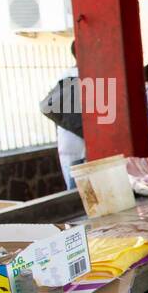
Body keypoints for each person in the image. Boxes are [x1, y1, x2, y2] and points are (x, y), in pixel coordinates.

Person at [39, 41, 85, 188]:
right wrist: (82, 130)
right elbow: (47, 106)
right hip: (77, 147)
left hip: (72, 145)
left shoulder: (69, 76)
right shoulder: (73, 77)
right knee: (79, 196)